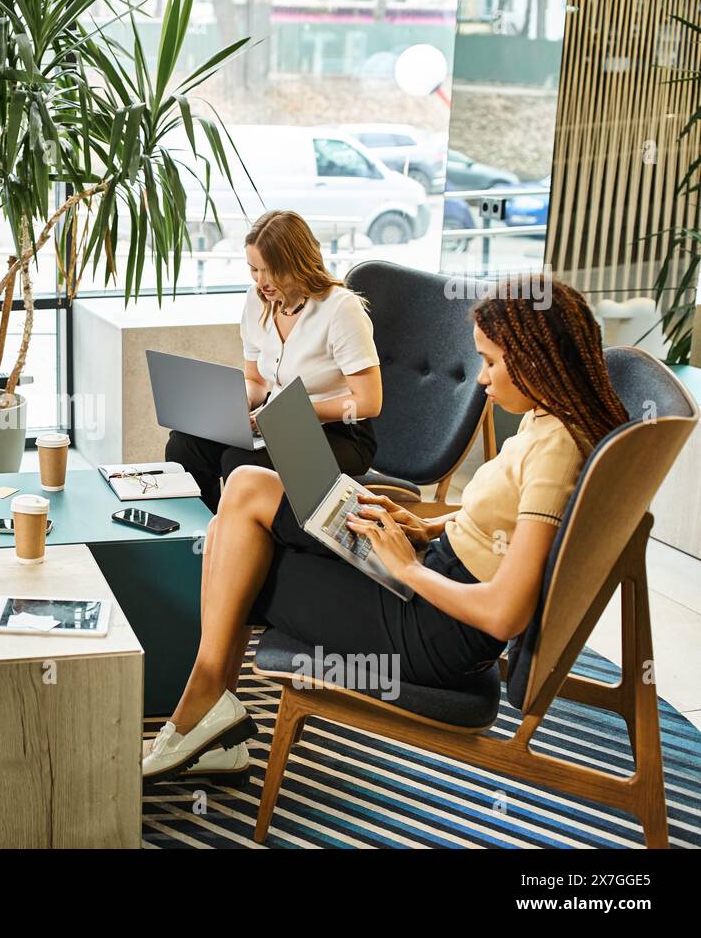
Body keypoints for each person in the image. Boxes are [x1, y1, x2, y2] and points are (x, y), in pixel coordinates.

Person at [144, 275, 628, 780]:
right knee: (247, 494)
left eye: (490, 362)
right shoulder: (548, 418)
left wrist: (407, 569)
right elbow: (500, 523)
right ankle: (209, 709)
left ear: (535, 361)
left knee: (238, 537)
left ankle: (203, 707)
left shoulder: (554, 450)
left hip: (433, 631)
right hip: (432, 582)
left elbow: (504, 615)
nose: (482, 379)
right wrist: (425, 527)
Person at [165, 210, 383, 513]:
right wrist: (234, 406)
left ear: (299, 263)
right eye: (254, 269)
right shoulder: (256, 300)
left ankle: (239, 538)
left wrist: (290, 414)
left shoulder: (341, 310)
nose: (262, 282)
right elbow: (256, 381)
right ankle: (203, 533)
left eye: (272, 271)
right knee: (186, 444)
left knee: (240, 462)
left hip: (340, 435)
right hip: (275, 422)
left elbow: (369, 402)